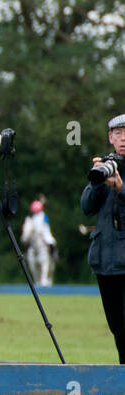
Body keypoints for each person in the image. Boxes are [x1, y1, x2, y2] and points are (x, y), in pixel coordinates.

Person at [81, 115, 125, 363]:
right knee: (117, 327)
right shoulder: (106, 165)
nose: (123, 138)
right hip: (106, 262)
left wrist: (120, 186)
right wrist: (97, 181)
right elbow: (86, 207)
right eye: (118, 133)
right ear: (110, 138)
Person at [20, 199, 57, 287]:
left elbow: (45, 227)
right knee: (29, 252)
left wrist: (39, 229)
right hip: (33, 242)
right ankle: (36, 280)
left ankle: (53, 255)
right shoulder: (31, 218)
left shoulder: (44, 217)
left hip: (43, 237)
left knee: (52, 242)